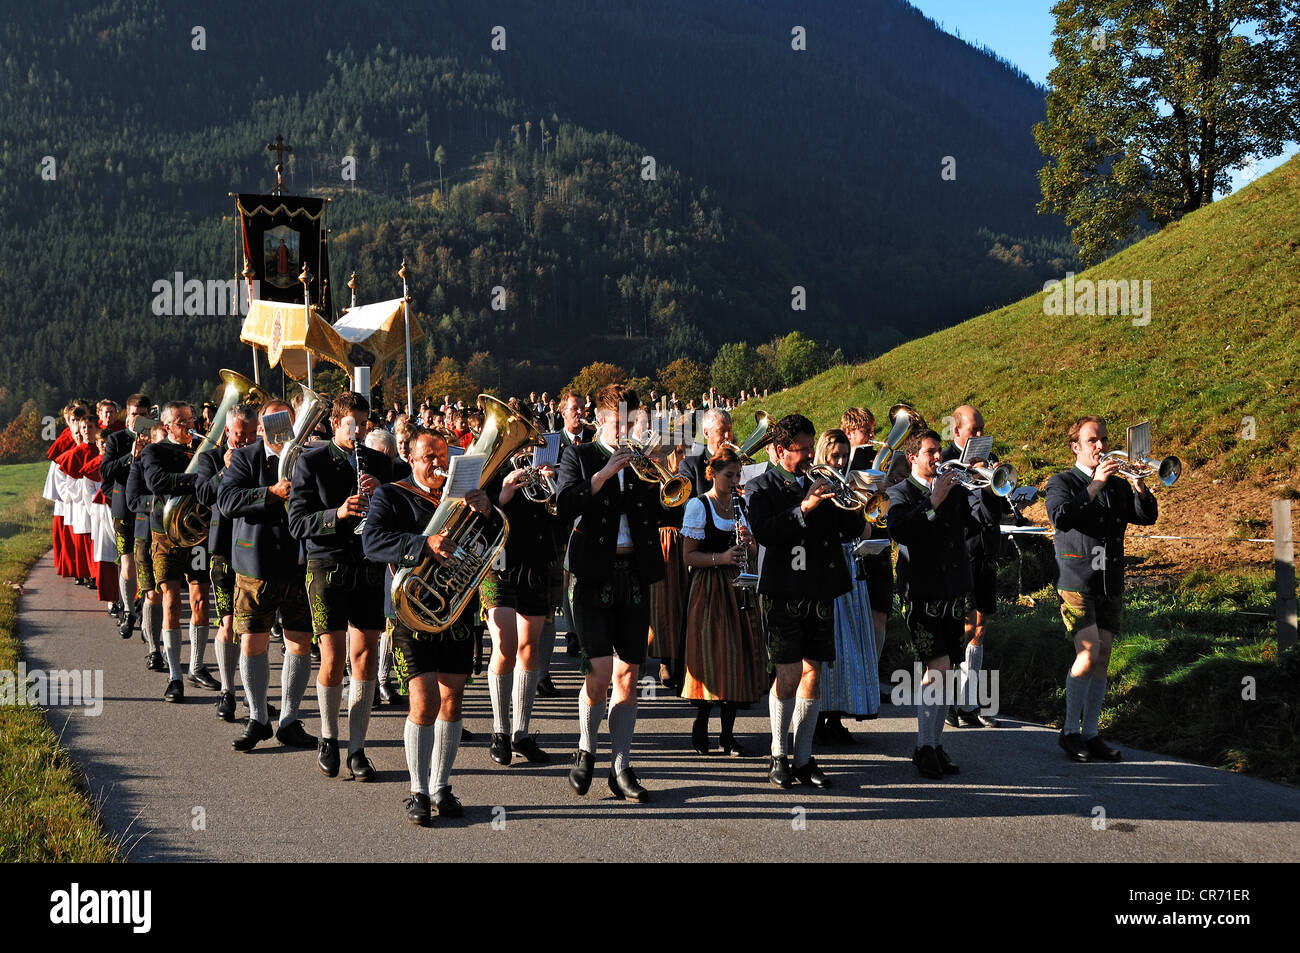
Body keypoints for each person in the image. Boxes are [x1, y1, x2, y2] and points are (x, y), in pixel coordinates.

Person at [363, 429, 492, 825]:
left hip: (454, 609)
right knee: (423, 702)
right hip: (411, 613)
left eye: (442, 456)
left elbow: (489, 546)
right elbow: (372, 542)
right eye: (427, 457)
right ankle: (418, 790)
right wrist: (423, 543)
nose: (436, 464)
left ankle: (441, 785)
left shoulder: (463, 497)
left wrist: (486, 512)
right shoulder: (392, 494)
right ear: (411, 460)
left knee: (452, 700)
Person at [555, 383, 674, 802]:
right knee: (600, 672)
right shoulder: (580, 455)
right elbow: (565, 502)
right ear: (603, 420)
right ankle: (586, 747)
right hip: (591, 576)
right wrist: (605, 475)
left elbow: (666, 510)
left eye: (632, 421)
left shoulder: (642, 461)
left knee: (629, 675)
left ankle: (621, 765)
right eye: (621, 421)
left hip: (634, 575)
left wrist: (664, 478)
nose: (628, 429)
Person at [746, 414, 865, 789]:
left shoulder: (821, 482)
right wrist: (805, 509)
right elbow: (765, 532)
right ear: (781, 451)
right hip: (782, 591)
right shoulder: (760, 487)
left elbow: (848, 531)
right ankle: (778, 752)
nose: (811, 455)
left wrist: (858, 498)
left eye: (812, 448)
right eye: (803, 450)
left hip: (819, 589)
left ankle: (804, 756)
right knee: (788, 674)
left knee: (815, 674)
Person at [288, 391, 394, 780]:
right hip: (326, 564)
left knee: (365, 656)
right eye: (353, 424)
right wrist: (338, 512)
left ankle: (358, 748)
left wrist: (381, 489)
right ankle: (328, 736)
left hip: (367, 565)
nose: (360, 431)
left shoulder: (381, 462)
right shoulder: (311, 461)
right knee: (332, 658)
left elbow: (403, 509)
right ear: (336, 423)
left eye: (365, 424)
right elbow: (297, 522)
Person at [1045, 417, 1157, 763]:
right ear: (1075, 447)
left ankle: (1091, 733)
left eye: (1104, 439)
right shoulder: (1061, 482)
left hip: (1109, 577)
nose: (1101, 446)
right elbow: (1061, 517)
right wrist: (1093, 486)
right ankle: (1069, 731)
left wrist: (1138, 484)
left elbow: (1147, 515)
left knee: (1103, 655)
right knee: (1089, 651)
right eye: (1092, 440)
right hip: (1076, 577)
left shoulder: (1118, 484)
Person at [219, 400, 318, 752]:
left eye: (286, 423)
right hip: (255, 565)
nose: (279, 430)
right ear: (261, 428)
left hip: (298, 562)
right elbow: (227, 501)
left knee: (300, 642)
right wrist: (270, 494)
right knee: (252, 642)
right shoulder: (246, 458)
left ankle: (289, 720)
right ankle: (258, 717)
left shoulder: (306, 458)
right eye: (272, 424)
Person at [886, 428, 977, 779]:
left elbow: (975, 524)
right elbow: (901, 531)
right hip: (921, 593)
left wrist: (983, 485)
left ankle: (935, 744)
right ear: (912, 457)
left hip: (953, 590)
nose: (938, 457)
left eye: (939, 451)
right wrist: (933, 502)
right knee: (936, 668)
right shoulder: (900, 492)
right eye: (930, 452)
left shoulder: (953, 488)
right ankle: (924, 747)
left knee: (948, 672)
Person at [480, 410, 556, 766]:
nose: (529, 445)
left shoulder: (544, 469)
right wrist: (504, 495)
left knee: (529, 647)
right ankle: (499, 729)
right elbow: (471, 515)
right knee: (506, 645)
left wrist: (555, 485)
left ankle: (521, 732)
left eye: (534, 438)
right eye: (524, 437)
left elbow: (561, 513)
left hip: (535, 563)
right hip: (499, 565)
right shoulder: (491, 468)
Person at [678, 447, 764, 755]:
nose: (735, 481)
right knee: (711, 656)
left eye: (739, 475)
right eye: (730, 475)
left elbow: (753, 550)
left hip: (739, 587)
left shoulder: (740, 506)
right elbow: (688, 556)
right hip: (710, 588)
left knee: (739, 657)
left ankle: (727, 735)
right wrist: (722, 557)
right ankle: (701, 726)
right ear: (713, 474)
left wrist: (749, 546)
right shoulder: (699, 506)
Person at [141, 401, 214, 702]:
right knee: (170, 601)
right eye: (182, 422)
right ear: (168, 426)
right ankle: (175, 675)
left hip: (197, 534)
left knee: (200, 601)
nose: (189, 426)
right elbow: (156, 482)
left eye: (191, 420)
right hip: (165, 536)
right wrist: (195, 480)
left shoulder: (205, 450)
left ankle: (196, 665)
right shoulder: (155, 452)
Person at [813, 429, 880, 744]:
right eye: (834, 456)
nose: (839, 462)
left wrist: (862, 501)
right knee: (829, 645)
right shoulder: (817, 487)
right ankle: (820, 715)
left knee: (851, 644)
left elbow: (863, 530)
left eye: (843, 456)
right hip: (824, 571)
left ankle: (838, 714)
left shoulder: (848, 486)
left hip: (850, 568)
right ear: (823, 456)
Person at [941, 405, 1005, 729]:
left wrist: (995, 481)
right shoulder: (946, 462)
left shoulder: (987, 461)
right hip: (960, 554)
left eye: (982, 429)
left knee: (980, 626)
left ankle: (969, 703)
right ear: (957, 432)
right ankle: (950, 702)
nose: (980, 436)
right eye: (973, 430)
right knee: (962, 627)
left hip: (985, 550)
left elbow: (993, 512)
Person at [195, 404, 258, 721]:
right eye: (238, 434)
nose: (244, 440)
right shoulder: (209, 457)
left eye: (249, 434)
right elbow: (204, 494)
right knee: (229, 623)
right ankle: (227, 692)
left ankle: (251, 695)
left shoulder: (261, 456)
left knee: (251, 629)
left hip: (254, 548)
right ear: (227, 432)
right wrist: (225, 469)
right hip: (222, 548)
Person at [100, 395, 151, 639]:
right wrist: (130, 456)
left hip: (149, 508)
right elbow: (105, 472)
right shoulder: (116, 439)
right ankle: (129, 610)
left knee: (147, 563)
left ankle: (144, 610)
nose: (138, 419)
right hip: (123, 509)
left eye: (143, 414)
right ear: (127, 416)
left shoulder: (156, 439)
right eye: (133, 414)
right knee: (128, 563)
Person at [126, 423, 167, 671]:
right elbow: (132, 500)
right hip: (146, 535)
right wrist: (161, 502)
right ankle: (154, 649)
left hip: (175, 537)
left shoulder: (182, 461)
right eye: (160, 444)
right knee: (152, 594)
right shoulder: (139, 465)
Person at [679, 408, 733, 497]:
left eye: (730, 430)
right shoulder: (690, 464)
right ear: (707, 433)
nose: (727, 436)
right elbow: (686, 504)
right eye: (722, 431)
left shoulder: (740, 459)